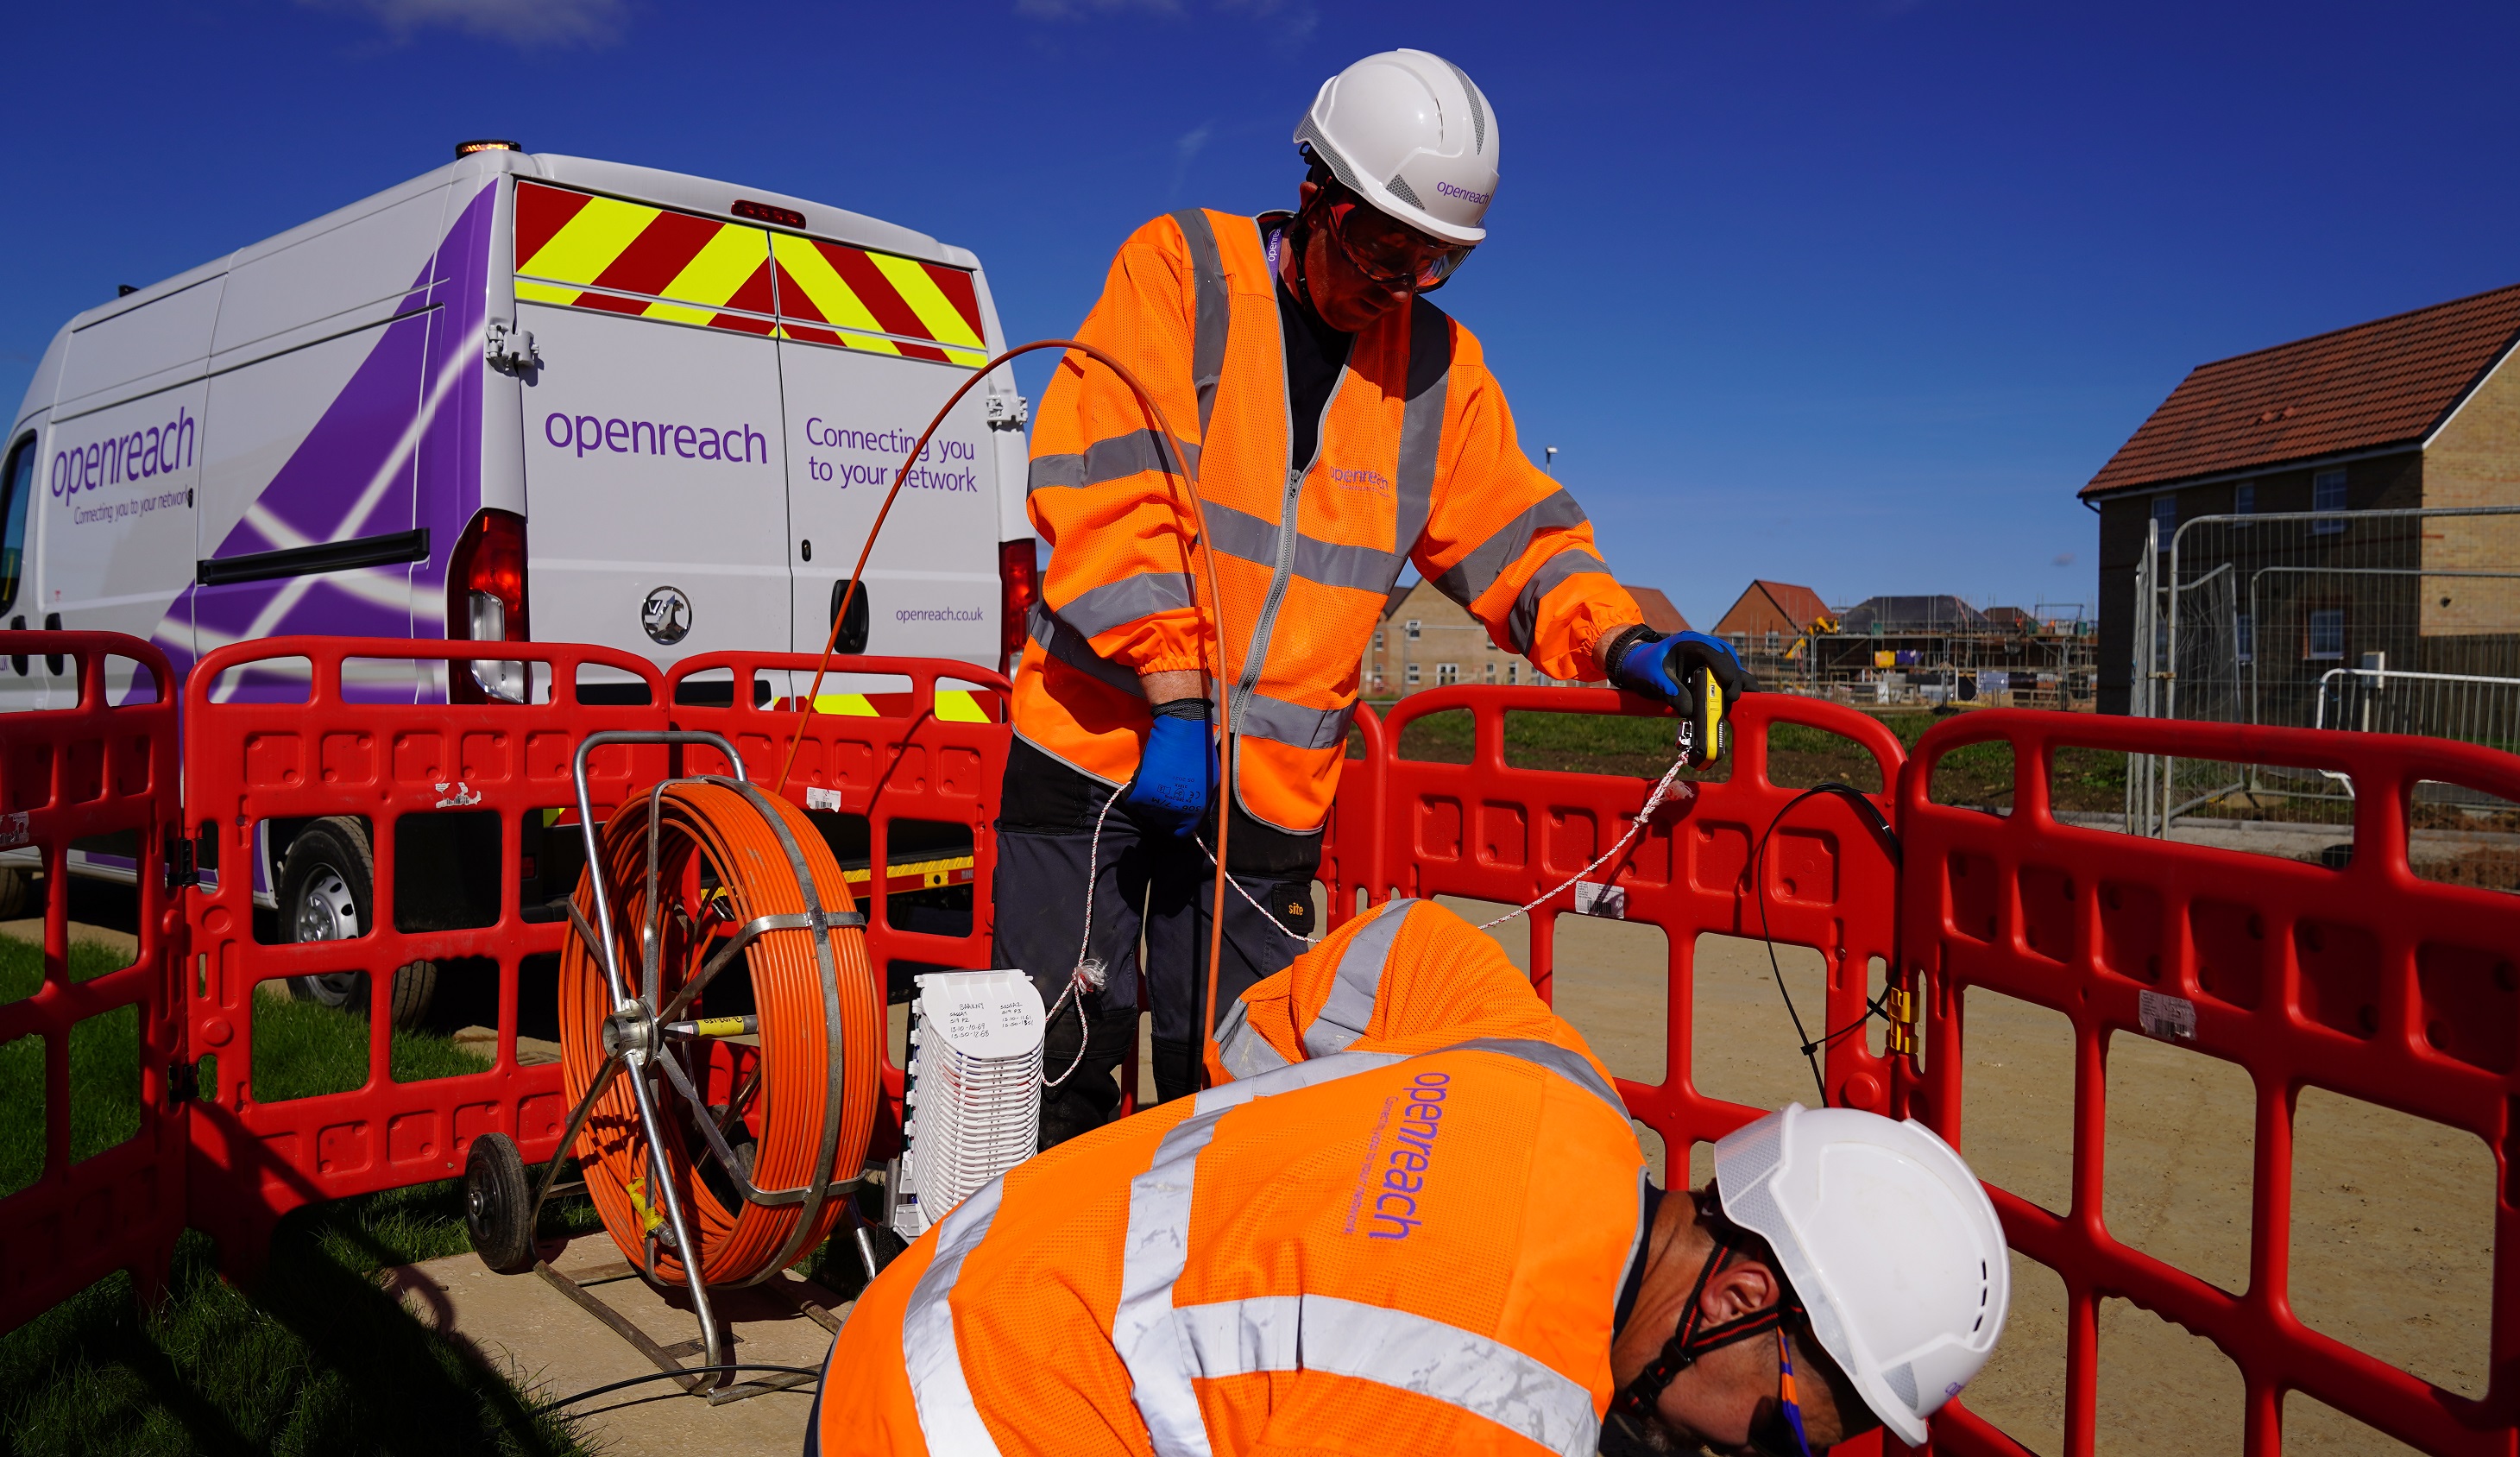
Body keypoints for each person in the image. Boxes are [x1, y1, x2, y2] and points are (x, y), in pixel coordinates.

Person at [999, 48, 1753, 1142]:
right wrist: (1170, 693)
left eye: (1430, 262)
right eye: (1378, 246)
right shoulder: (1183, 274)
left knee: (1238, 1076)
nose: (1394, 286)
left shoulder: (1439, 369)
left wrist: (1628, 640)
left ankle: (1194, 1298)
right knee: (1065, 1048)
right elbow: (1111, 488)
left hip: (1269, 795)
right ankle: (1015, 1288)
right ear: (1316, 195)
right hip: (1100, 749)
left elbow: (1516, 537)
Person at [810, 899, 2010, 1457]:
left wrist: (1259, 1105)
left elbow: (1410, 942)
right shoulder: (1494, 1406)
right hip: (945, 1427)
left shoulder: (1563, 1094)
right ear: (1740, 1304)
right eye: (1782, 1435)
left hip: (943, 1289)